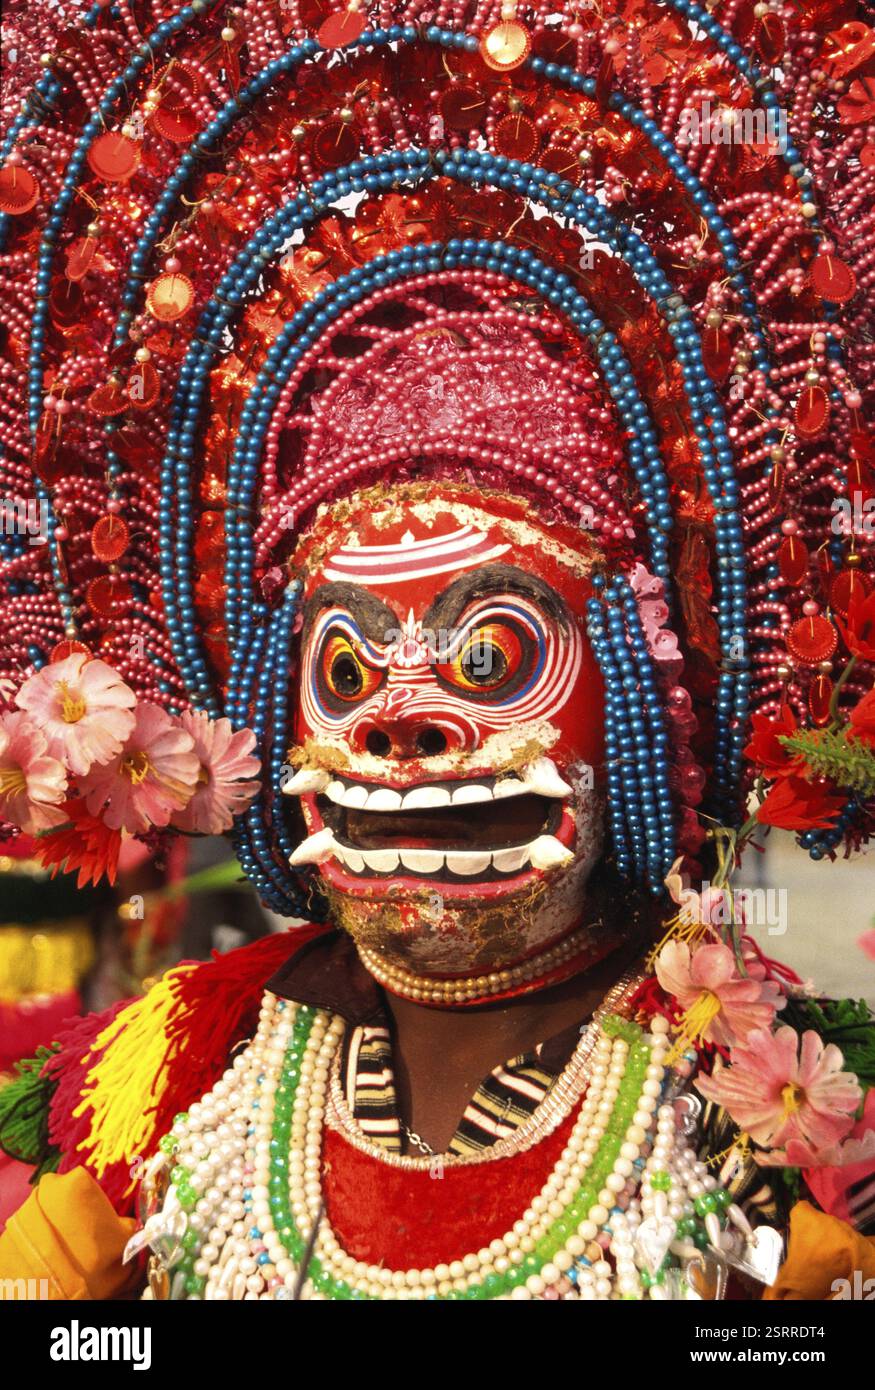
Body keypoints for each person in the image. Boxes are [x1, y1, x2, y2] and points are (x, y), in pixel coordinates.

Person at [0, 0, 873, 1302]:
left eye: (493, 652)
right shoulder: (167, 1068)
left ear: (636, 693)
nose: (398, 722)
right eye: (343, 670)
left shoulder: (776, 1106)